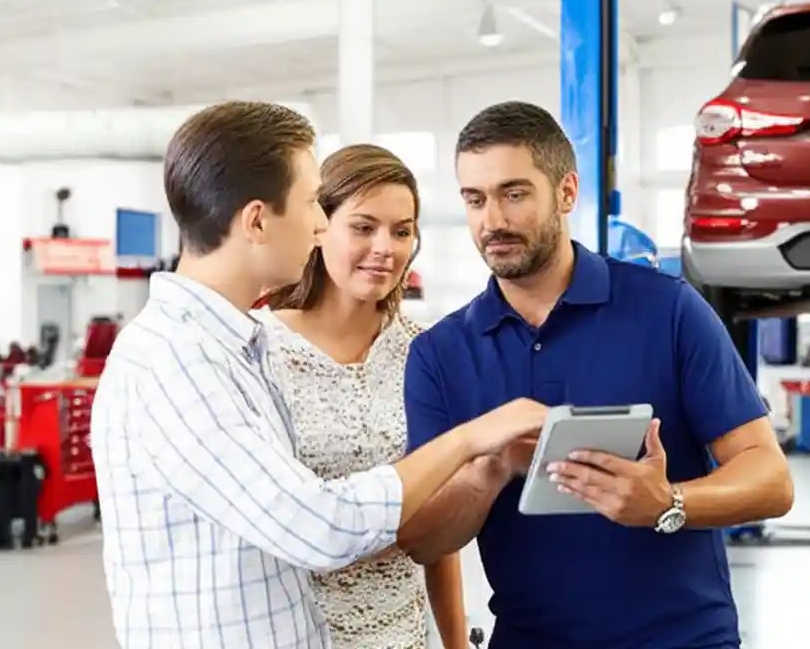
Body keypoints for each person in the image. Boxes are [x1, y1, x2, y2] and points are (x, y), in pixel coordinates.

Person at [88, 101, 548, 648]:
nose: (318, 223)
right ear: (257, 220)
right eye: (312, 203)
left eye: (402, 231)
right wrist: (471, 440)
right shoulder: (175, 361)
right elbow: (318, 525)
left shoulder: (235, 347)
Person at [397, 101, 795, 648]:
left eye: (514, 194)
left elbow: (771, 480)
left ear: (566, 193)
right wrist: (490, 468)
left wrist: (669, 503)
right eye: (475, 199)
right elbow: (424, 539)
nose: (493, 221)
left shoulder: (669, 311)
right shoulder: (439, 355)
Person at [254, 144, 468, 649]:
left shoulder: (423, 352)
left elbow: (438, 529)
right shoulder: (259, 349)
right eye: (364, 227)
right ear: (319, 225)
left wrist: (456, 644)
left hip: (401, 635)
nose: (385, 248)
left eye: (402, 230)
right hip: (297, 632)